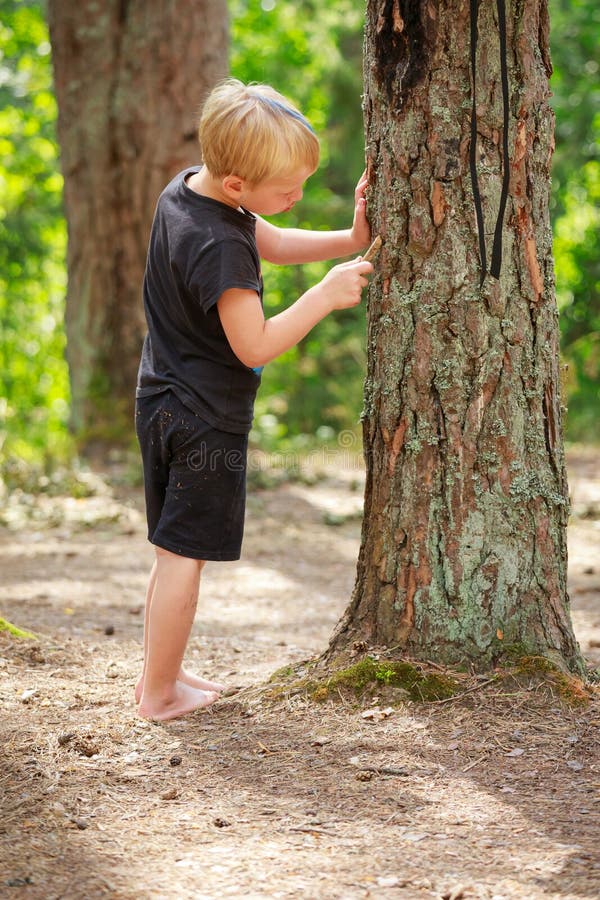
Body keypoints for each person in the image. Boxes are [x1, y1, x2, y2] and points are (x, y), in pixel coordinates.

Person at [134, 79, 372, 720]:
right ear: (237, 182)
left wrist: (347, 240)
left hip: (160, 398)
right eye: (287, 188)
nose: (296, 197)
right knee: (186, 559)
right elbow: (255, 345)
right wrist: (322, 295)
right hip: (203, 421)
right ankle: (158, 695)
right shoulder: (217, 248)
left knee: (170, 551)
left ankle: (162, 674)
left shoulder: (192, 191)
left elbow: (261, 237)